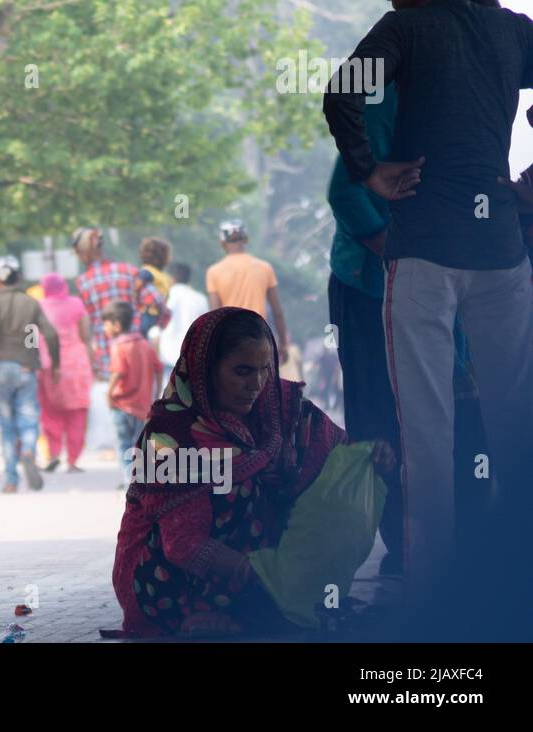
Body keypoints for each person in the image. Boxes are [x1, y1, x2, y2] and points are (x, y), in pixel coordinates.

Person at [322, 0, 533, 604]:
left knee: (428, 431)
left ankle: (434, 588)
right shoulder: (509, 29)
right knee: (513, 418)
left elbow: (339, 94)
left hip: (423, 258)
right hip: (503, 254)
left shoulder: (407, 27)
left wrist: (369, 171)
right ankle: (512, 574)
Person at [113, 308, 397, 637]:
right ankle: (209, 610)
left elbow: (337, 457)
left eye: (265, 369)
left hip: (251, 569)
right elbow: (182, 545)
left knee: (307, 474)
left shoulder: (282, 406)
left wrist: (372, 458)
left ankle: (250, 606)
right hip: (161, 580)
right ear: (205, 370)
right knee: (239, 488)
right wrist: (270, 579)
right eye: (242, 371)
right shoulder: (169, 433)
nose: (257, 384)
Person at [0, 255, 61, 493]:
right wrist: (55, 365)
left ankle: (10, 480)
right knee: (28, 420)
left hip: (1, 369)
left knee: (6, 427)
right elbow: (50, 334)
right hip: (26, 369)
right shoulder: (31, 303)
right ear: (18, 278)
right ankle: (28, 450)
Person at [73, 226, 164, 446]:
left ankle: (125, 464)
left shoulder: (84, 282)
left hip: (108, 356)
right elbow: (156, 302)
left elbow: (88, 327)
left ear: (82, 252)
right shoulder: (129, 270)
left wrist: (92, 360)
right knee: (140, 411)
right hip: (138, 352)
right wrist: (139, 330)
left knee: (119, 410)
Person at [205, 220, 291, 364]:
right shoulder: (265, 267)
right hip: (259, 336)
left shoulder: (214, 272)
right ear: (245, 239)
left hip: (229, 340)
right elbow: (277, 312)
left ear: (222, 242)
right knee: (259, 382)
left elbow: (214, 314)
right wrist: (283, 344)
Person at [35, 272, 93, 474]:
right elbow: (85, 335)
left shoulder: (39, 306)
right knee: (77, 412)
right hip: (76, 364)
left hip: (49, 364)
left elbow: (31, 338)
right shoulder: (77, 304)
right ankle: (73, 460)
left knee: (50, 412)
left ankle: (53, 454)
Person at [103, 301, 161, 488]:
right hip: (142, 406)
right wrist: (157, 392)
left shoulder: (119, 346)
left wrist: (108, 394)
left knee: (123, 445)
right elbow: (158, 368)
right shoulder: (144, 344)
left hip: (122, 405)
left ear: (117, 325)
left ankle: (130, 482)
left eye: (106, 323)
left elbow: (118, 372)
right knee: (138, 446)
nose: (104, 328)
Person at [156, 262, 209, 384]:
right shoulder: (200, 299)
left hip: (166, 357)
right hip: (191, 358)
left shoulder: (165, 298)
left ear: (171, 278)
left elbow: (157, 328)